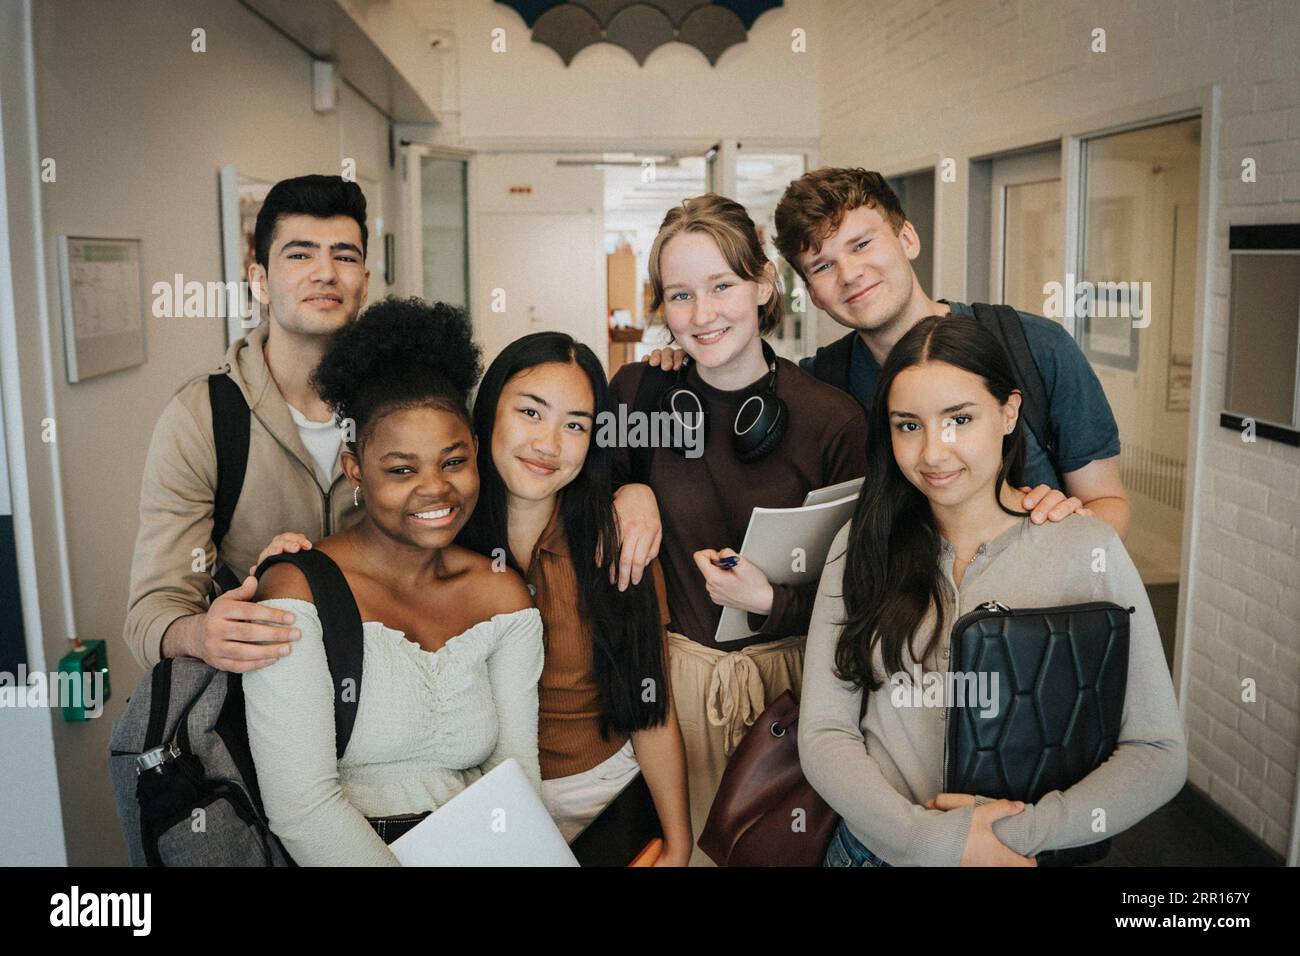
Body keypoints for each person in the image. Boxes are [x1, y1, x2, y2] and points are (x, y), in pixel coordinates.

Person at [798, 315, 1186, 867]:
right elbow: (825, 732)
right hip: (877, 854)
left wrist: (1020, 835)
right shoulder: (859, 545)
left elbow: (1157, 751)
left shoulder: (1087, 549)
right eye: (908, 425)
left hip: (1029, 856)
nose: (934, 452)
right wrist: (925, 839)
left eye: (959, 419)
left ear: (1008, 412)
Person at [607, 194, 868, 864]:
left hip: (796, 689)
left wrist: (771, 603)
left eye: (722, 285)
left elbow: (869, 596)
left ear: (762, 283)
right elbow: (573, 502)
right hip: (668, 691)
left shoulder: (832, 421)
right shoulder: (639, 393)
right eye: (680, 295)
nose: (702, 314)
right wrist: (624, 487)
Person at [246, 298, 543, 866]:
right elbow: (300, 806)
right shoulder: (295, 594)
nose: (435, 490)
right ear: (355, 469)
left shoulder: (502, 596)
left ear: (476, 453)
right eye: (401, 470)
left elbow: (515, 777)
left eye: (453, 462)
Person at [775, 167, 1130, 536]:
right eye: (823, 266)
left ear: (908, 238)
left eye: (862, 244)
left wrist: (1066, 529)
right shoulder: (823, 385)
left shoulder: (1036, 347)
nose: (848, 274)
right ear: (813, 293)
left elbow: (1107, 503)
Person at [124, 174, 371, 672]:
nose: (325, 272)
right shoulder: (202, 418)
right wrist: (201, 632)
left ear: (364, 280)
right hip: (263, 696)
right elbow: (151, 613)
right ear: (259, 279)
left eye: (345, 256)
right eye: (300, 254)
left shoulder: (408, 406)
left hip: (390, 681)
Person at [462, 331, 692, 862]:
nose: (549, 444)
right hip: (480, 804)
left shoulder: (618, 542)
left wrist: (679, 842)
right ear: (490, 410)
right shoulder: (439, 538)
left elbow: (650, 707)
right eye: (530, 412)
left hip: (603, 799)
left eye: (575, 425)